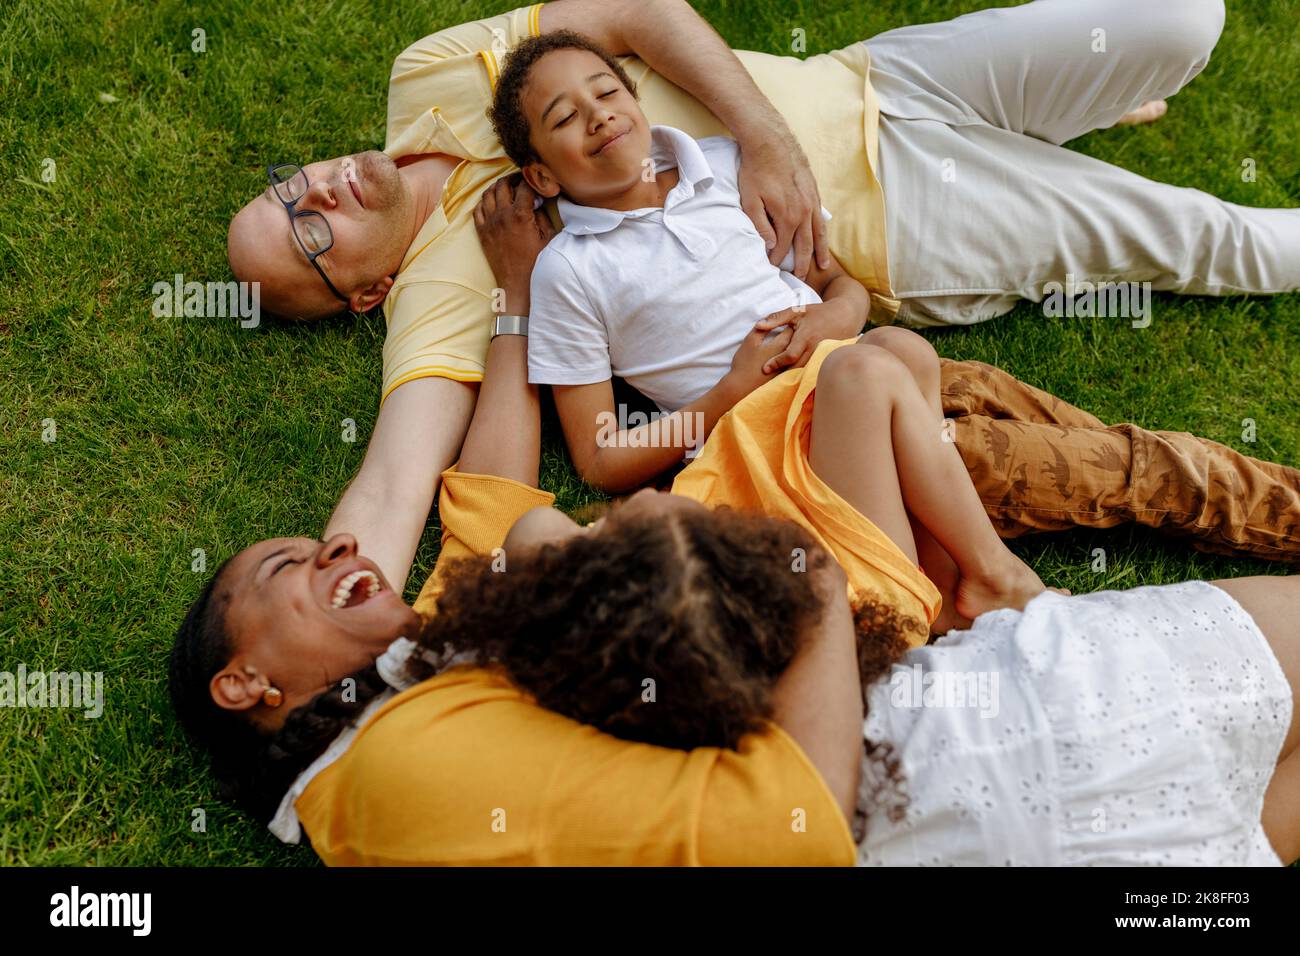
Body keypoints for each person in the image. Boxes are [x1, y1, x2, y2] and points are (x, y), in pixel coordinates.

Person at [225, 1, 1300, 601]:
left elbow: (641, 11)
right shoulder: (471, 280)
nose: (313, 190)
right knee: (1215, 238)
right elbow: (397, 480)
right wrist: (324, 609)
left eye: (286, 188)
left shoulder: (429, 73)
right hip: (906, 228)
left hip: (867, 84)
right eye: (306, 233)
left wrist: (770, 141)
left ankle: (1055, 132)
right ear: (363, 289)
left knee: (1180, 17)